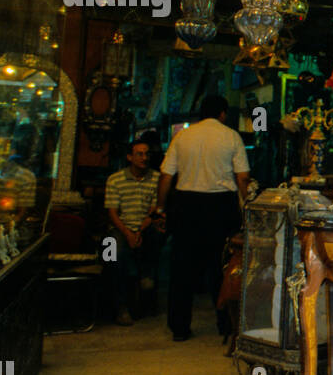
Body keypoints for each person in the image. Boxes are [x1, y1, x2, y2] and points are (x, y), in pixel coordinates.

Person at [157, 95, 250, 342]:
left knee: (182, 268)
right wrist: (249, 208)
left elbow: (166, 176)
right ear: (222, 113)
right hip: (220, 206)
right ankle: (225, 325)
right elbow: (242, 179)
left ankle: (179, 327)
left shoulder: (182, 136)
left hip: (186, 205)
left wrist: (160, 207)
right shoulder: (231, 136)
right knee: (221, 267)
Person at [104, 139, 164, 326]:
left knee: (159, 234)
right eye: (139, 154)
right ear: (129, 157)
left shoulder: (156, 178)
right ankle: (120, 306)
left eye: (146, 154)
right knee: (112, 253)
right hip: (120, 228)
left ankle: (148, 277)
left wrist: (139, 230)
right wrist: (128, 232)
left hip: (145, 227)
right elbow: (112, 213)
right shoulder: (115, 179)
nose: (144, 158)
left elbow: (154, 210)